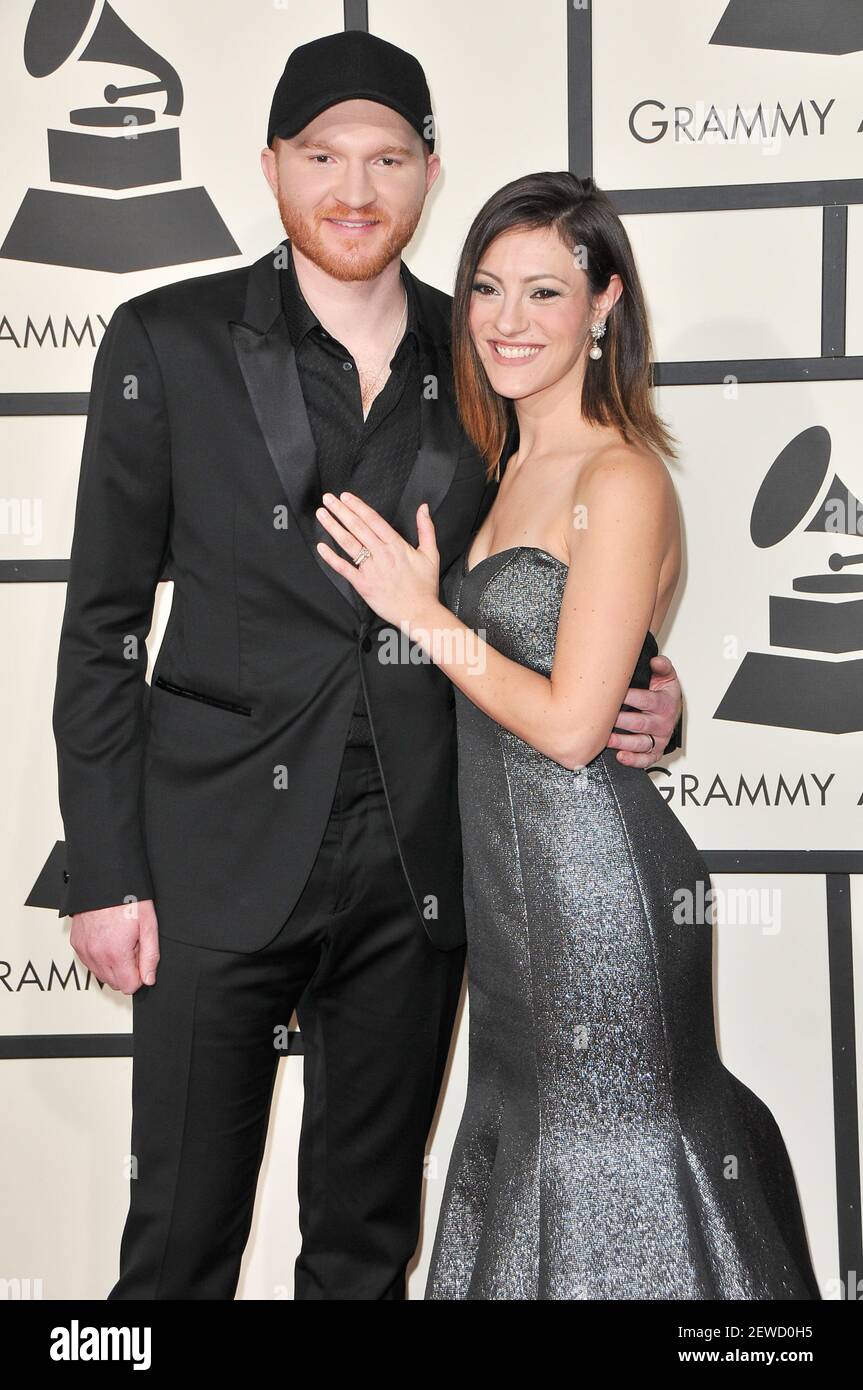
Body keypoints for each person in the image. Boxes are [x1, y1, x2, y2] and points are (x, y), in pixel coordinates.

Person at [52, 33, 682, 1301]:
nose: (354, 189)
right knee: (174, 1249)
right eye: (323, 156)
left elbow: (551, 543)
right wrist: (105, 869)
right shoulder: (164, 338)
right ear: (271, 167)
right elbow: (101, 624)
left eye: (387, 159)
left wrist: (644, 683)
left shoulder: (487, 350)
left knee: (364, 1250)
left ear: (429, 175)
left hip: (420, 862)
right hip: (209, 859)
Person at [315, 171, 821, 1300]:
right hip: (507, 901)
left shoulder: (619, 473)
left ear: (604, 303)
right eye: (486, 287)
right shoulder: (498, 466)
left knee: (614, 1166)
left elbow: (573, 724)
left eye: (544, 291)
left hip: (597, 897)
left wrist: (421, 613)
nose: (506, 319)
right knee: (532, 1152)